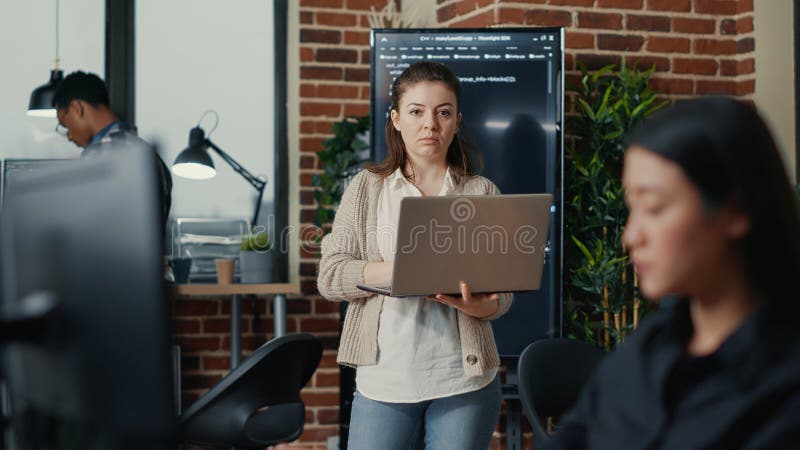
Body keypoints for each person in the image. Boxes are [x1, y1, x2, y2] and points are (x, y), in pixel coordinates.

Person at [541, 97, 800, 450]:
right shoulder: (643, 352)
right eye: (632, 208)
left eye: (654, 207)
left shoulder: (783, 389)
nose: (631, 237)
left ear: (735, 211)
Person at [317, 61, 512, 449]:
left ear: (457, 121)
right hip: (383, 380)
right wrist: (404, 271)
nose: (430, 125)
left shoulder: (481, 192)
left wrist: (478, 307)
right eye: (416, 112)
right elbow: (331, 276)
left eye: (443, 113)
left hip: (463, 381)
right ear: (396, 119)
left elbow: (501, 297)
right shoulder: (367, 189)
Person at [52, 71, 173, 233]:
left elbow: (86, 230)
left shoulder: (98, 155)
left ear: (77, 108)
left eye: (65, 125)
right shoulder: (150, 155)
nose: (69, 136)